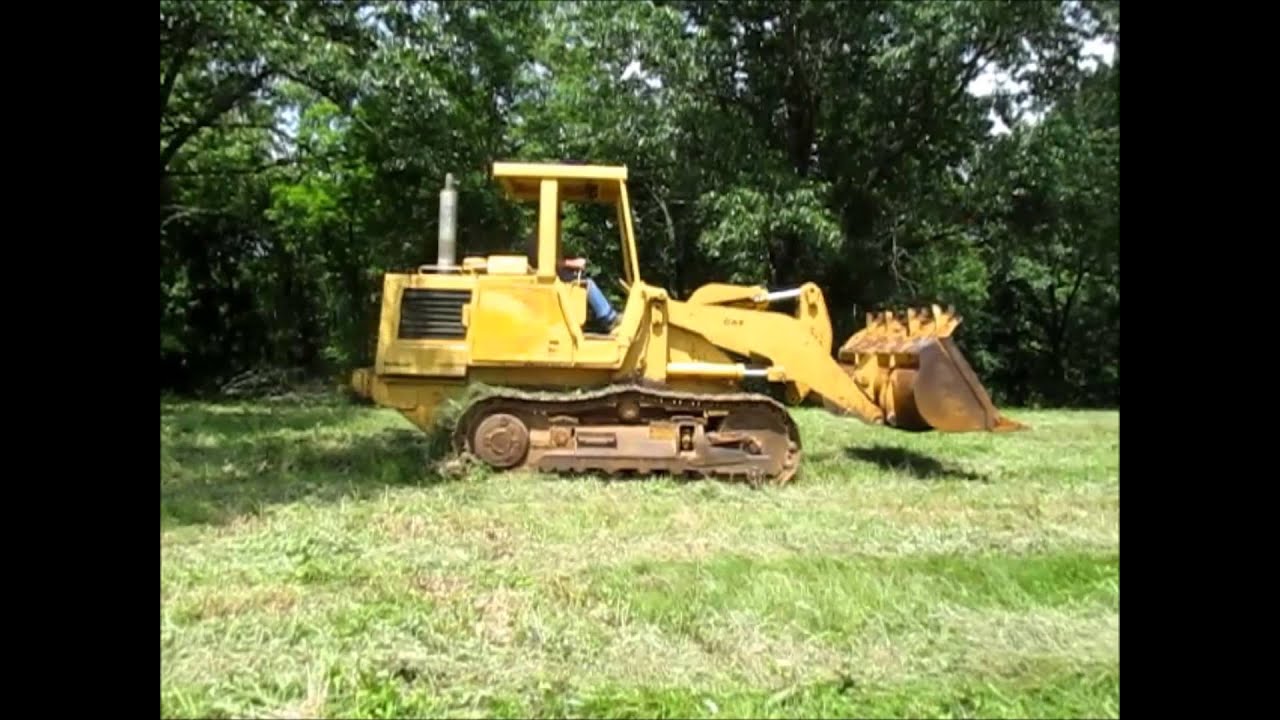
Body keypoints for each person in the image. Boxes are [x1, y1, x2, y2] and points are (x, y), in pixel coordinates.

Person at [525, 229, 620, 332]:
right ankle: (608, 318)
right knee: (588, 284)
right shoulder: (541, 239)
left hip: (555, 278)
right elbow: (552, 263)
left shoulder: (539, 238)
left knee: (583, 281)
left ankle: (603, 317)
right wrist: (574, 263)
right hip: (553, 282)